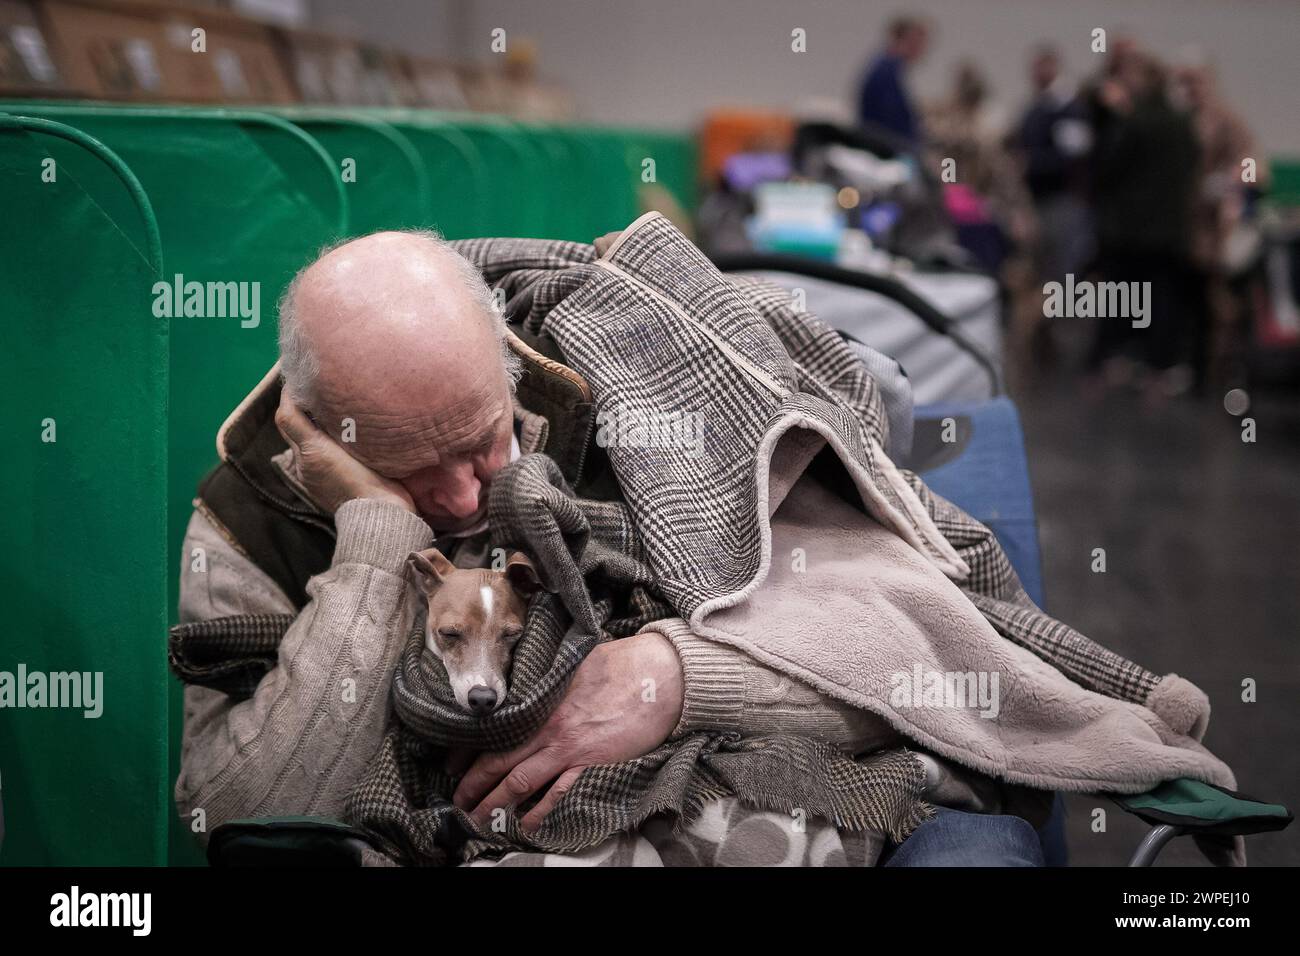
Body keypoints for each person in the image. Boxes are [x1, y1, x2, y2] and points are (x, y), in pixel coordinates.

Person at [173, 228, 1053, 866]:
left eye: (482, 442)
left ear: (507, 365)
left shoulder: (652, 394)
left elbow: (925, 661)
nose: (465, 497)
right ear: (314, 436)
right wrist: (374, 541)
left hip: (794, 796)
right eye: (409, 473)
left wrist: (671, 680)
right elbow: (247, 817)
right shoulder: (248, 520)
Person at [1086, 51, 1202, 397]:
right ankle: (1158, 363)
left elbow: (1107, 169)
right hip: (1170, 228)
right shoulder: (1182, 122)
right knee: (1163, 298)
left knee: (1122, 295)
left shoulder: (1134, 121)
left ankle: (1114, 358)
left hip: (1132, 229)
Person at [856, 15, 930, 146]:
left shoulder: (887, 66)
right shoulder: (886, 70)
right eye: (916, 42)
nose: (921, 49)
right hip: (883, 145)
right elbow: (893, 120)